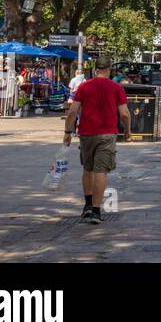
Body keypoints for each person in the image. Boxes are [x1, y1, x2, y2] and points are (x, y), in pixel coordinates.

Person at [62, 61, 130, 223]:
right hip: (107, 134)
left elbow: (72, 111)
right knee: (101, 171)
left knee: (88, 168)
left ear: (95, 70)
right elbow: (125, 113)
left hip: (86, 133)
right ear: (108, 69)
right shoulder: (116, 88)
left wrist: (67, 132)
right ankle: (96, 211)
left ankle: (87, 205)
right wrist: (127, 130)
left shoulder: (84, 87)